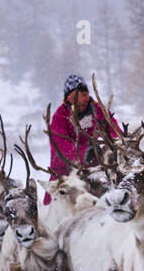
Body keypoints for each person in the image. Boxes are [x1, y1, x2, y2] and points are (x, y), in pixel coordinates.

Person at [45, 74, 121, 204]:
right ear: (69, 97)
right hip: (64, 173)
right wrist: (84, 153)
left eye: (86, 94)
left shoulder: (98, 109)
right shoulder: (60, 116)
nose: (86, 98)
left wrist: (109, 148)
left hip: (98, 169)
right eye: (82, 95)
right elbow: (61, 148)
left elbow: (115, 132)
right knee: (52, 206)